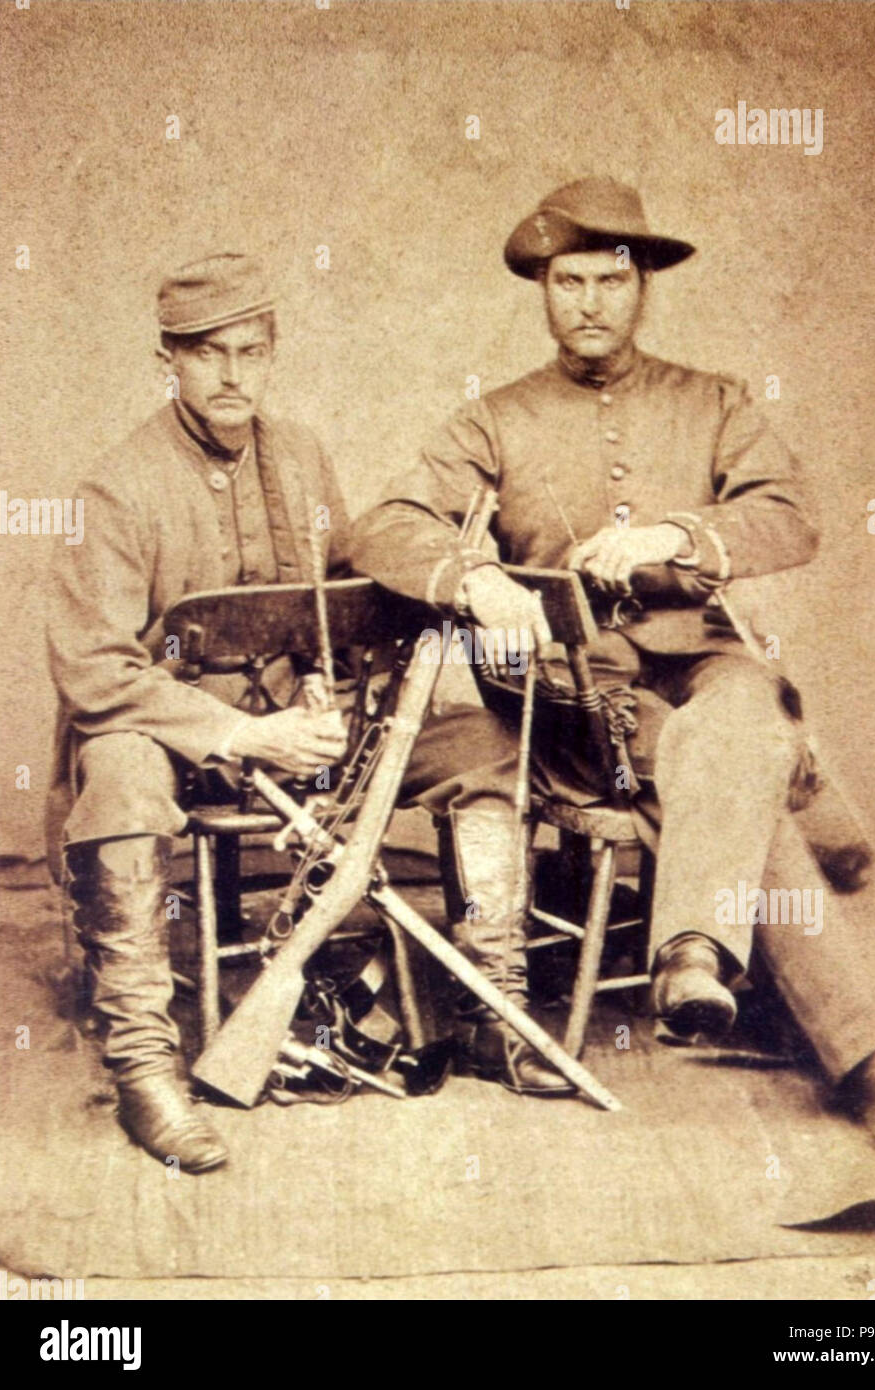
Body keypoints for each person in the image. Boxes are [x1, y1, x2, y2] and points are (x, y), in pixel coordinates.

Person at [350, 178, 875, 1152]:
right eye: (568, 281)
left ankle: (688, 949)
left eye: (610, 280)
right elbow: (383, 526)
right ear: (542, 293)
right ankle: (860, 1054)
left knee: (743, 719)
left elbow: (788, 516)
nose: (590, 301)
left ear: (643, 291)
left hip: (708, 664)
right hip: (582, 695)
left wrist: (680, 532)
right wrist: (475, 582)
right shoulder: (494, 420)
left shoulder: (712, 402)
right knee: (731, 767)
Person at [46, 253, 569, 1176]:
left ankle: (495, 1008)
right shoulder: (119, 487)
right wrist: (243, 733)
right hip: (185, 742)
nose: (234, 375)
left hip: (308, 732)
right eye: (209, 355)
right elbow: (92, 670)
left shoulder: (301, 456)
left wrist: (332, 679)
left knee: (481, 746)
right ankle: (145, 1069)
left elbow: (338, 598)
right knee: (120, 771)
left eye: (253, 351)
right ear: (165, 358)